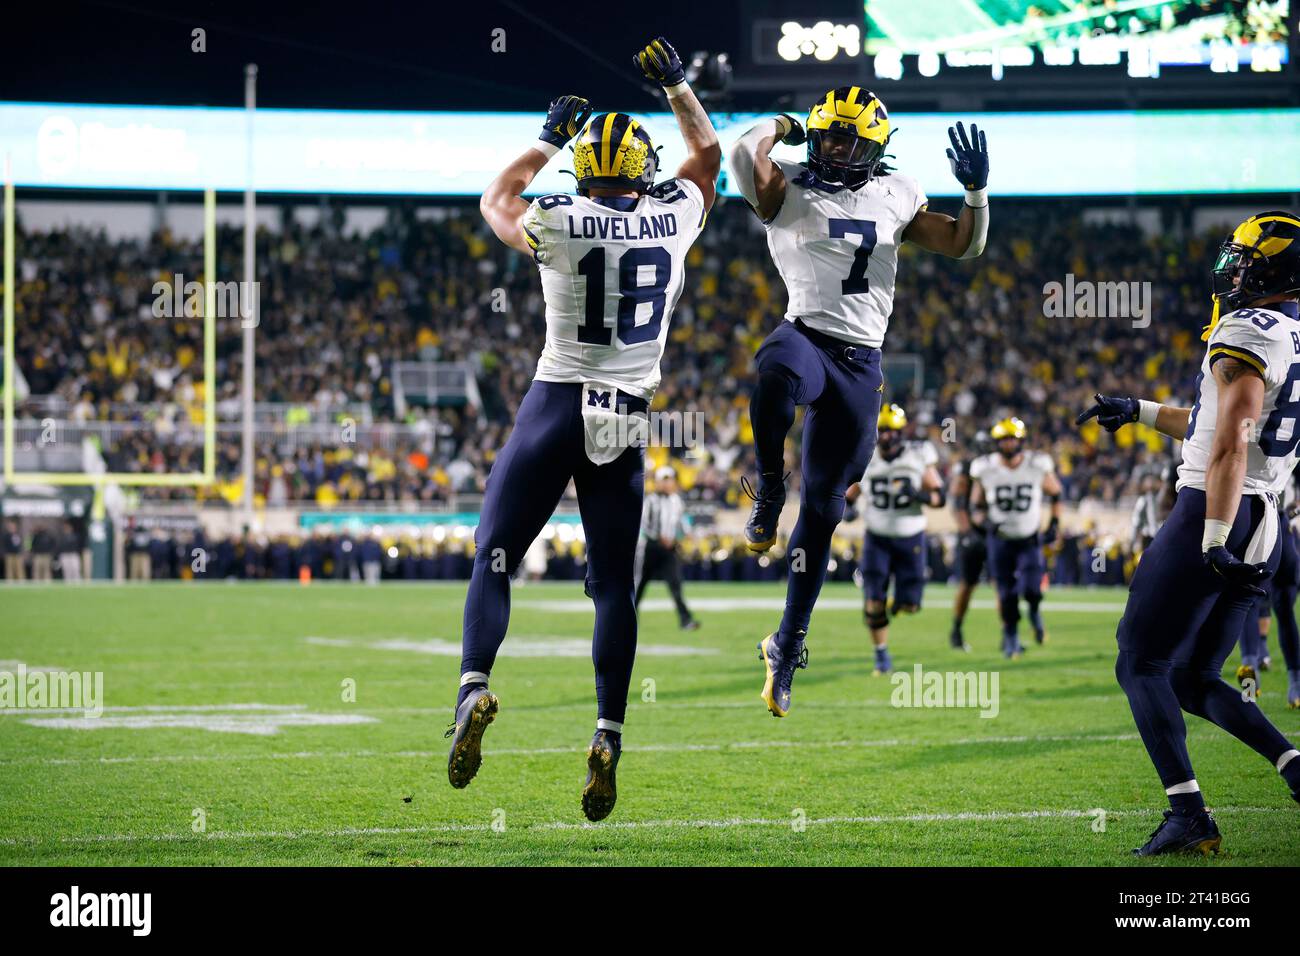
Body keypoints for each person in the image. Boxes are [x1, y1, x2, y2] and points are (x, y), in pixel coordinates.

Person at [446, 37, 719, 821]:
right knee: (612, 589)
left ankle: (473, 688)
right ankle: (607, 731)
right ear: (642, 173)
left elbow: (496, 200)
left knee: (493, 556)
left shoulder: (558, 218)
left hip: (555, 400)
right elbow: (706, 159)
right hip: (625, 415)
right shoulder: (672, 217)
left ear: (584, 175)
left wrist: (546, 136)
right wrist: (676, 83)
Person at [728, 87, 989, 717]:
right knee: (773, 375)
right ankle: (767, 484)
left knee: (824, 512)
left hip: (861, 363)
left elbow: (964, 245)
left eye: (852, 140)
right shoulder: (787, 184)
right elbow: (741, 151)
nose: (839, 149)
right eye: (830, 136)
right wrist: (784, 123)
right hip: (806, 335)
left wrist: (977, 194)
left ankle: (787, 643)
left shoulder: (897, 192)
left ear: (875, 148)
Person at [1076, 210, 1300, 856]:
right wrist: (1140, 410)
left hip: (1217, 507)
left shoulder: (1246, 329)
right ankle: (1293, 764)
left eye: (1246, 262)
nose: (1233, 270)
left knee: (1138, 660)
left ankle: (1189, 814)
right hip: (1268, 518)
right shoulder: (1289, 334)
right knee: (1193, 677)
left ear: (1274, 273)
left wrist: (1211, 539)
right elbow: (1212, 420)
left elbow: (1232, 438)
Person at [844, 404, 942, 674]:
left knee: (910, 606)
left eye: (891, 431)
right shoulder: (866, 456)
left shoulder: (918, 455)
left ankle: (895, 602)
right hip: (877, 538)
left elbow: (938, 497)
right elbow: (849, 496)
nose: (886, 436)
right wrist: (848, 510)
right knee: (873, 602)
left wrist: (919, 495)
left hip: (910, 536)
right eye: (882, 430)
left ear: (902, 432)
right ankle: (881, 655)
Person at [969, 418, 1062, 657]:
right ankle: (1011, 636)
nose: (1009, 444)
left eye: (1012, 439)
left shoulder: (1037, 464)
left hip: (1029, 538)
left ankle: (1033, 611)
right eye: (1004, 439)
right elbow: (976, 506)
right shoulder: (985, 467)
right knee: (1006, 593)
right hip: (1000, 539)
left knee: (1032, 588)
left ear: (1020, 441)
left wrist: (1054, 523)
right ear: (997, 442)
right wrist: (983, 522)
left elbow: (1056, 493)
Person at [635, 465, 699, 630]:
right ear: (657, 482)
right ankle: (628, 619)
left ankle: (686, 620)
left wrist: (688, 534)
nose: (667, 484)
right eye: (664, 480)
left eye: (669, 480)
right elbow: (644, 524)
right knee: (639, 585)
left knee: (676, 585)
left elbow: (681, 521)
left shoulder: (676, 500)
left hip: (669, 549)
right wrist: (658, 537)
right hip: (650, 548)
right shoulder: (650, 500)